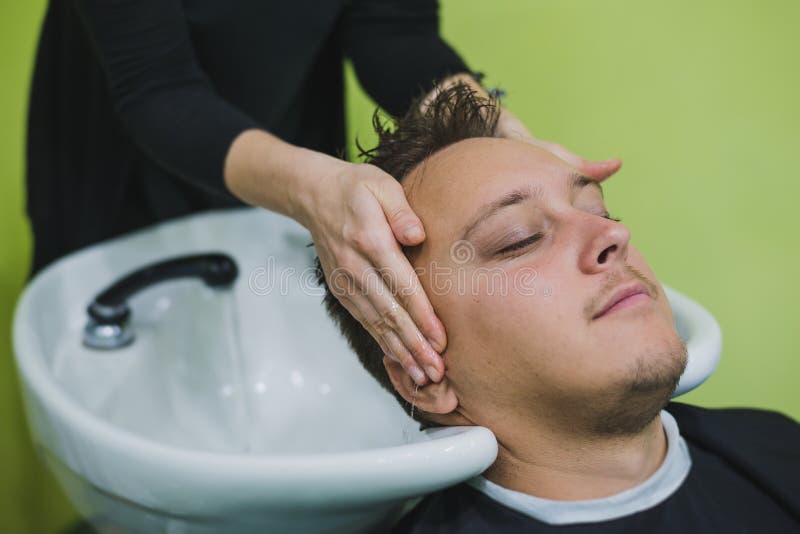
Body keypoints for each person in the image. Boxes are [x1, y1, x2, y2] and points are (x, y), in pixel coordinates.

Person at [26, 0, 622, 394]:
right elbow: (157, 89)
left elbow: (394, 34)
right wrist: (312, 189)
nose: (613, 237)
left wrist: (494, 126)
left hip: (291, 140)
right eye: (517, 240)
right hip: (120, 173)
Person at [316, 84, 800, 532]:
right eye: (519, 238)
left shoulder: (779, 449)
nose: (613, 234)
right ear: (425, 375)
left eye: (598, 211)